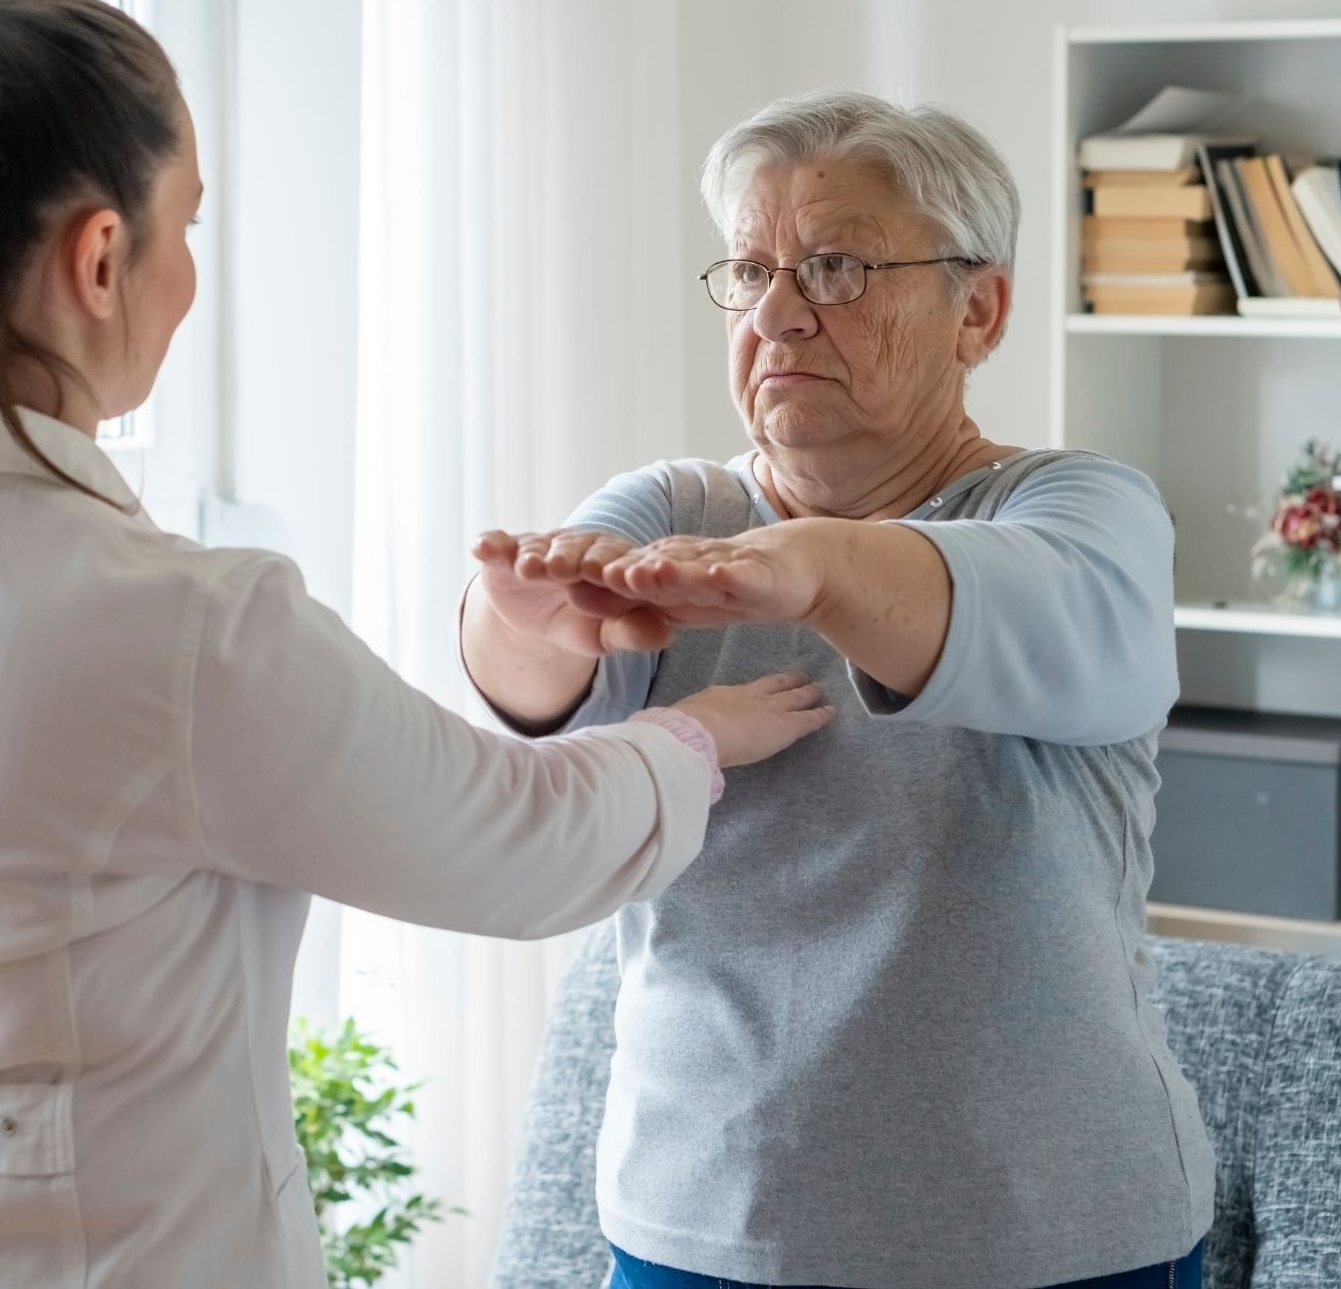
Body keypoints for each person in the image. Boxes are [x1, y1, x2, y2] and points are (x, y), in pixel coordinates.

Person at [0, 0, 832, 1289]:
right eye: (184, 228)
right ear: (99, 256)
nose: (189, 277)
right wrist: (694, 740)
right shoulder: (176, 626)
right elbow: (521, 844)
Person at [461, 92, 1212, 1289]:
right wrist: (519, 621)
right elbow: (531, 680)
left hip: (1050, 1233)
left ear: (980, 309)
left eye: (835, 267)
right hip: (702, 1219)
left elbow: (1018, 605)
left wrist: (805, 566)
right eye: (751, 269)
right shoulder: (673, 513)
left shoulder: (1079, 510)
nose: (773, 313)